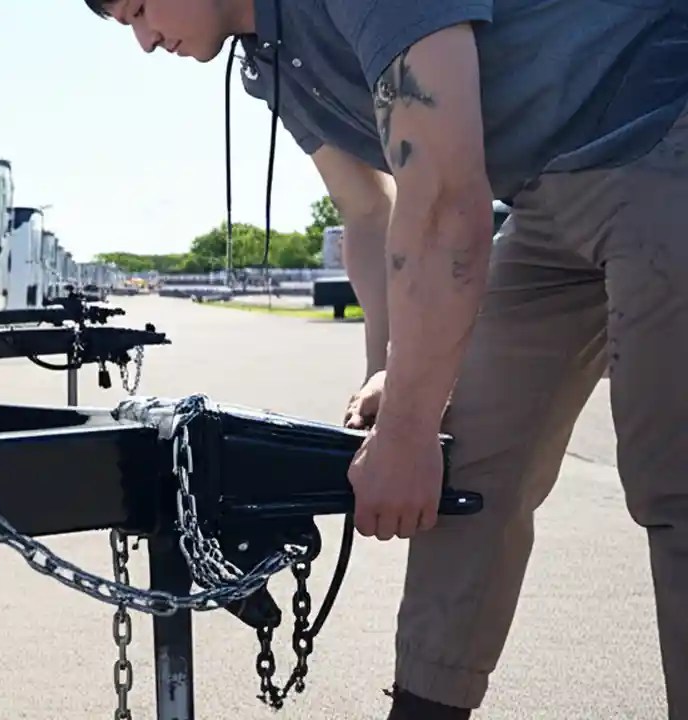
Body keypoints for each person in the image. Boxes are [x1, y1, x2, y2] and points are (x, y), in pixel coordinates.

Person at [80, 0, 688, 717]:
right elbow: (369, 210)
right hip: (546, 197)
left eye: (141, 8)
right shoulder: (274, 59)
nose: (147, 41)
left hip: (660, 122)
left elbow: (443, 199)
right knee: (466, 469)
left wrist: (405, 426)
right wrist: (395, 389)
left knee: (671, 472)